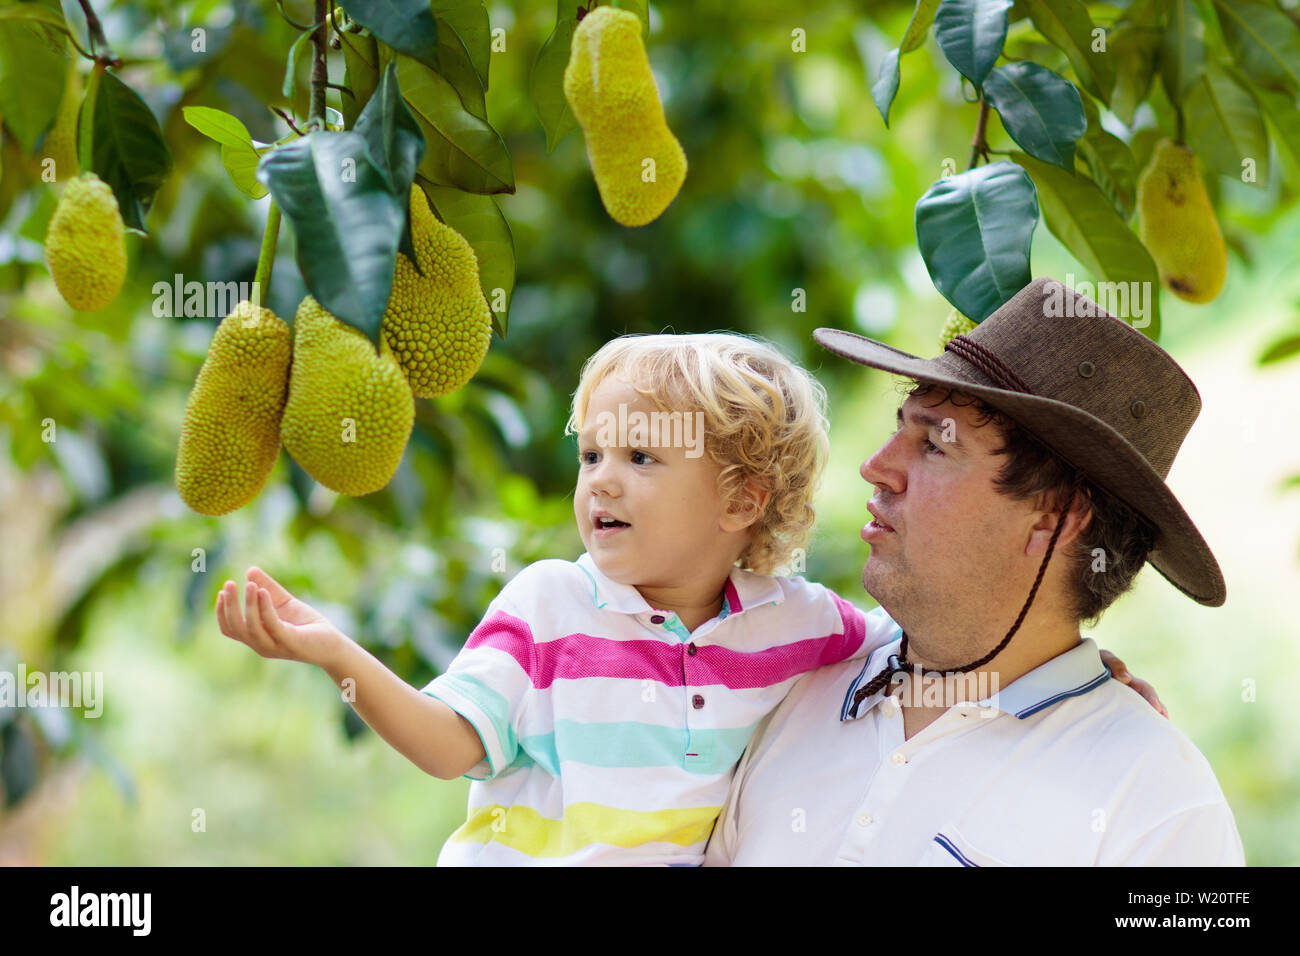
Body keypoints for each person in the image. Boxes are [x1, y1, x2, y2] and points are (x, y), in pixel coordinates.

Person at [214, 328, 1160, 866]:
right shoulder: (550, 604)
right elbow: (448, 743)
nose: (601, 483)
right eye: (590, 455)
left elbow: (962, 645)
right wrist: (334, 653)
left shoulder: (796, 629)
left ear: (743, 500)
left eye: (639, 457)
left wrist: (1074, 677)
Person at [702, 277, 1245, 866]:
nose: (876, 466)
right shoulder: (783, 673)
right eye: (901, 427)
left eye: (935, 444)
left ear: (1057, 517)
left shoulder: (1159, 803)